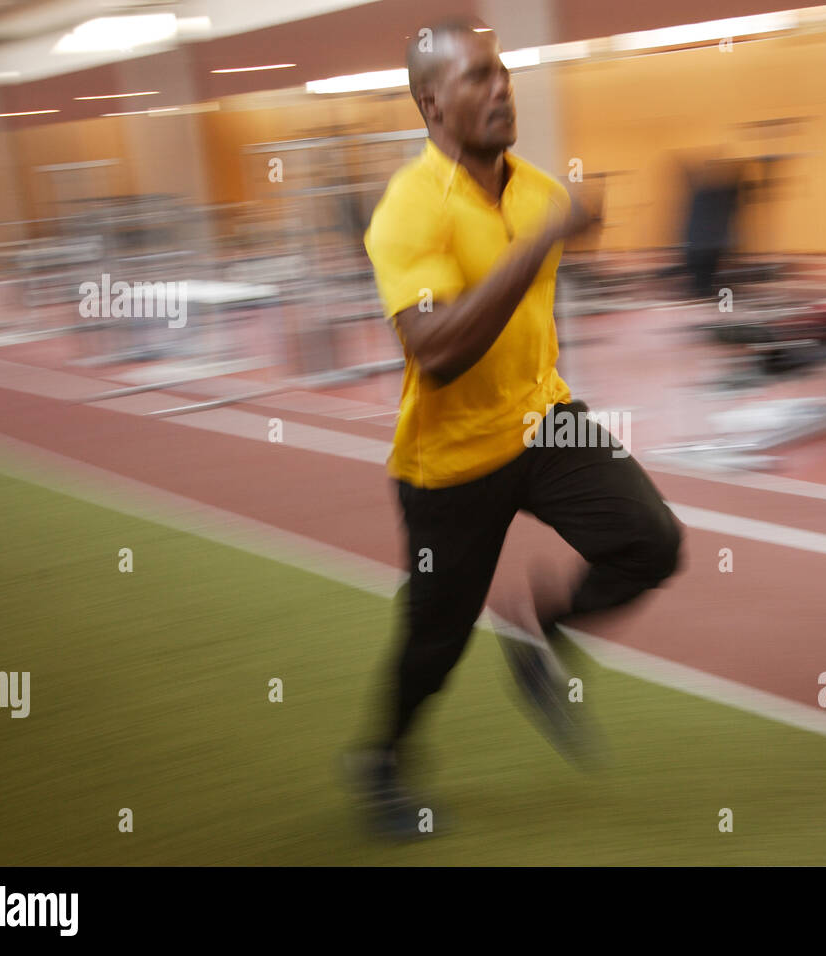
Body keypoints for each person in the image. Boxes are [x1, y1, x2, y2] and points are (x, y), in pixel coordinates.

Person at [348, 17, 683, 837]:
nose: (501, 88)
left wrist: (552, 234)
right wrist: (539, 245)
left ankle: (543, 631)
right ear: (431, 103)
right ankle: (380, 761)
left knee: (652, 542)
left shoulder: (540, 191)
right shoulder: (407, 208)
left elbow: (534, 290)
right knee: (435, 642)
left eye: (502, 72)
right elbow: (437, 354)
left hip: (543, 423)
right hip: (450, 463)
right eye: (476, 78)